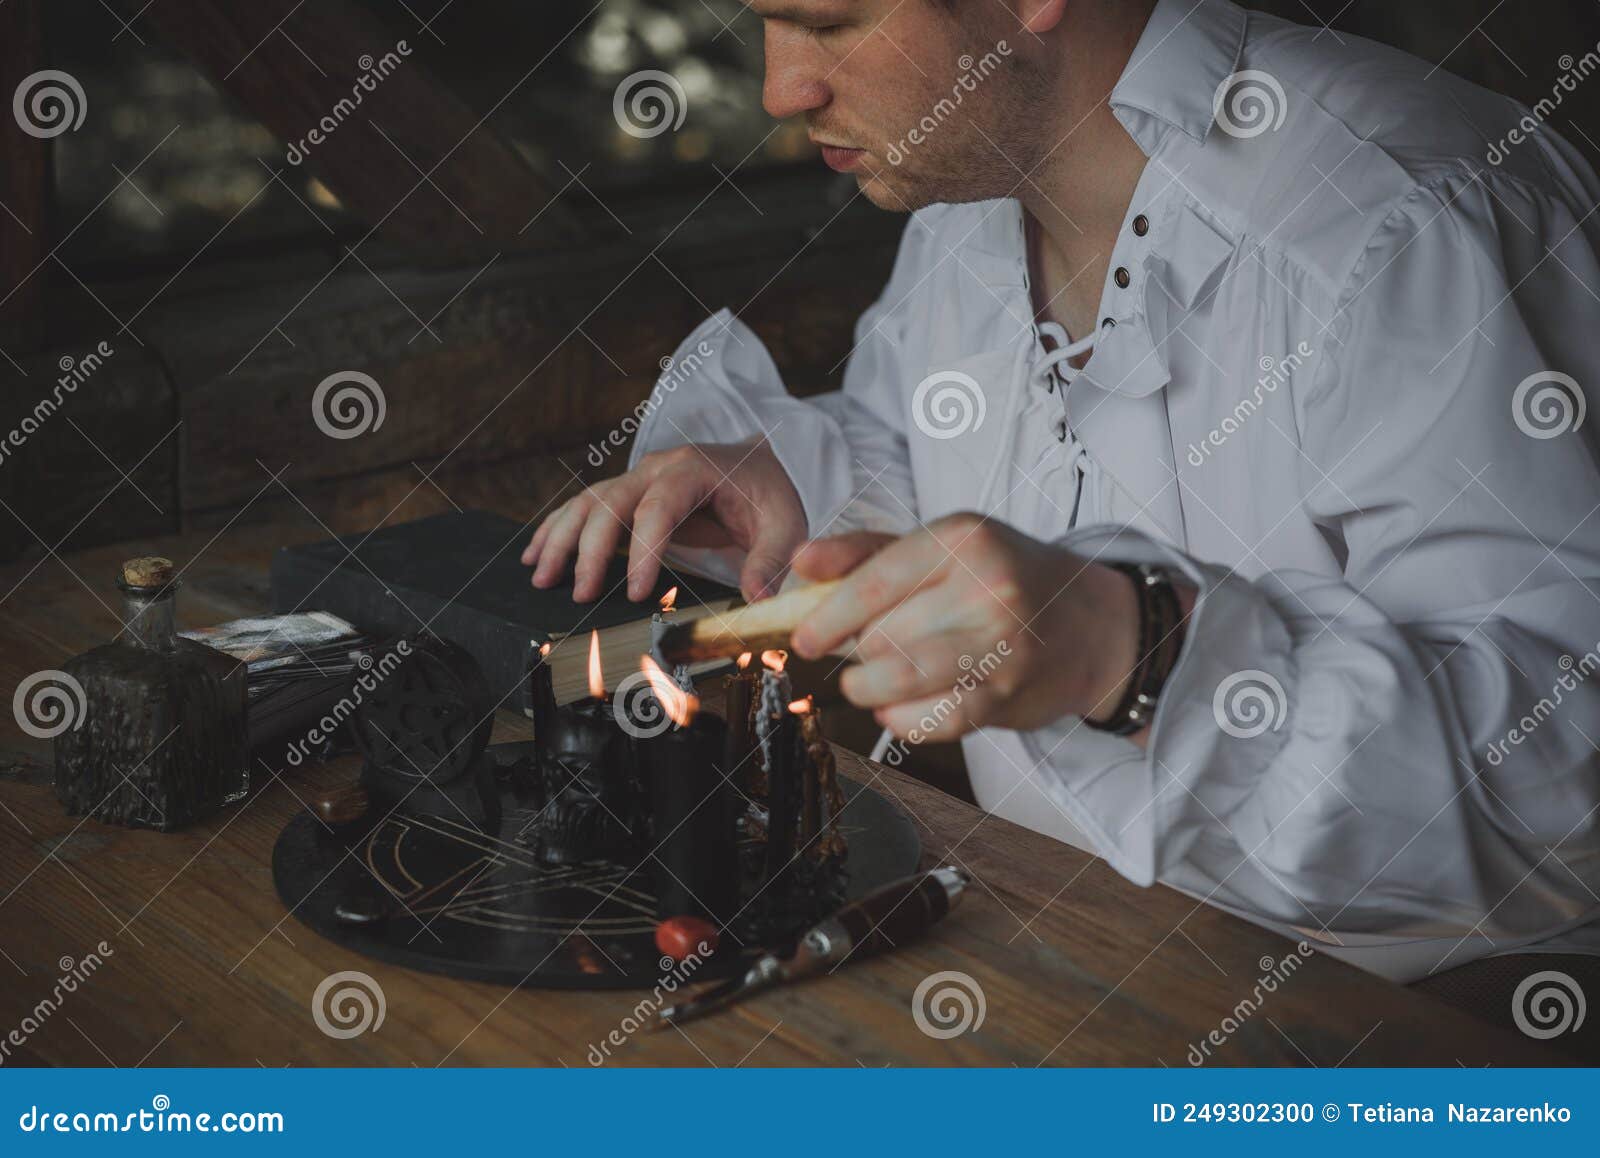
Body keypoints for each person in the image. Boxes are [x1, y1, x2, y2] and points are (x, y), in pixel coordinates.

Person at [523, 0, 1600, 988]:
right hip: (1068, 952)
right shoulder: (971, 190)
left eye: (831, 22)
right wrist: (800, 489)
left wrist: (1135, 653)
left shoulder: (1416, 215)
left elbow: (1565, 786)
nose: (780, 89)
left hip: (1424, 1030)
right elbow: (941, 450)